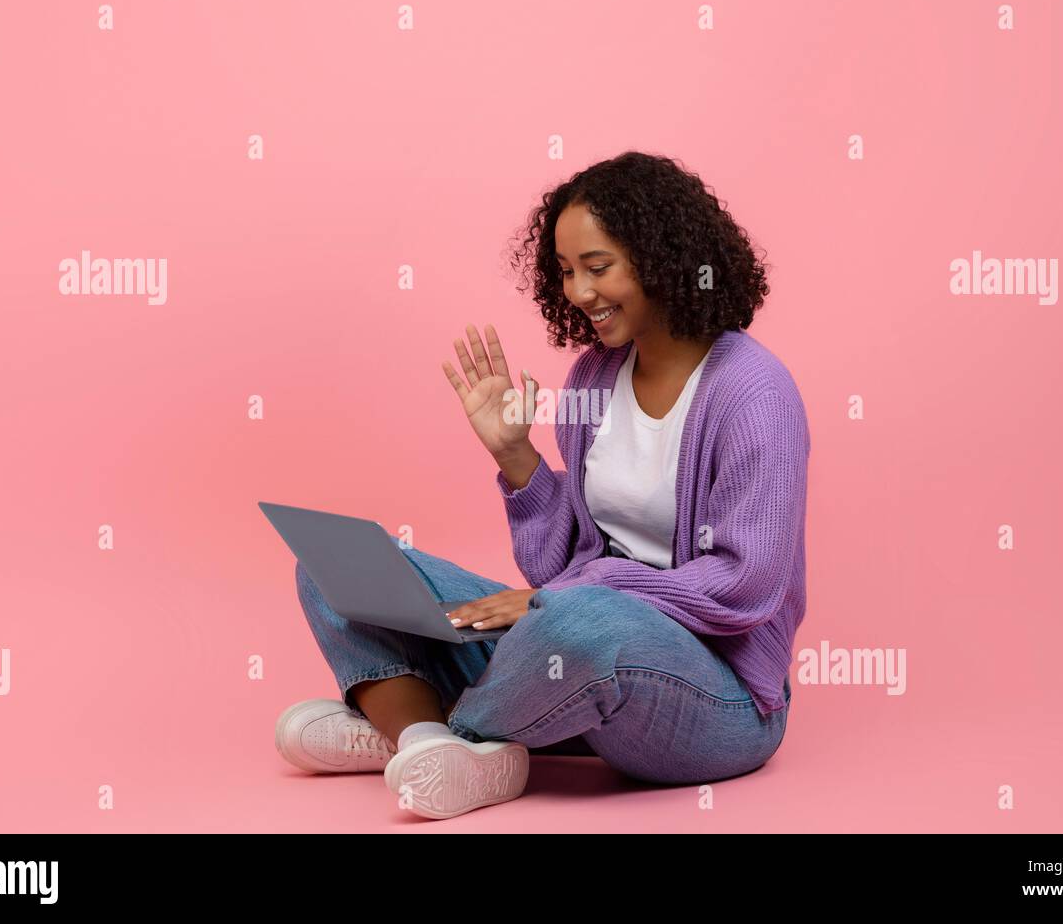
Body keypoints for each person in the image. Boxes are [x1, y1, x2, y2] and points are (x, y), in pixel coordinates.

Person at [276, 151, 811, 820]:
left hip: (715, 695)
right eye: (565, 272)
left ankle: (425, 725)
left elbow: (746, 584)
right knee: (334, 564)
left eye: (598, 267)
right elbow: (562, 565)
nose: (580, 293)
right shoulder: (594, 378)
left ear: (662, 256)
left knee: (576, 620)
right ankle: (428, 744)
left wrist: (571, 595)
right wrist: (516, 457)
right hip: (573, 644)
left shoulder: (752, 392)